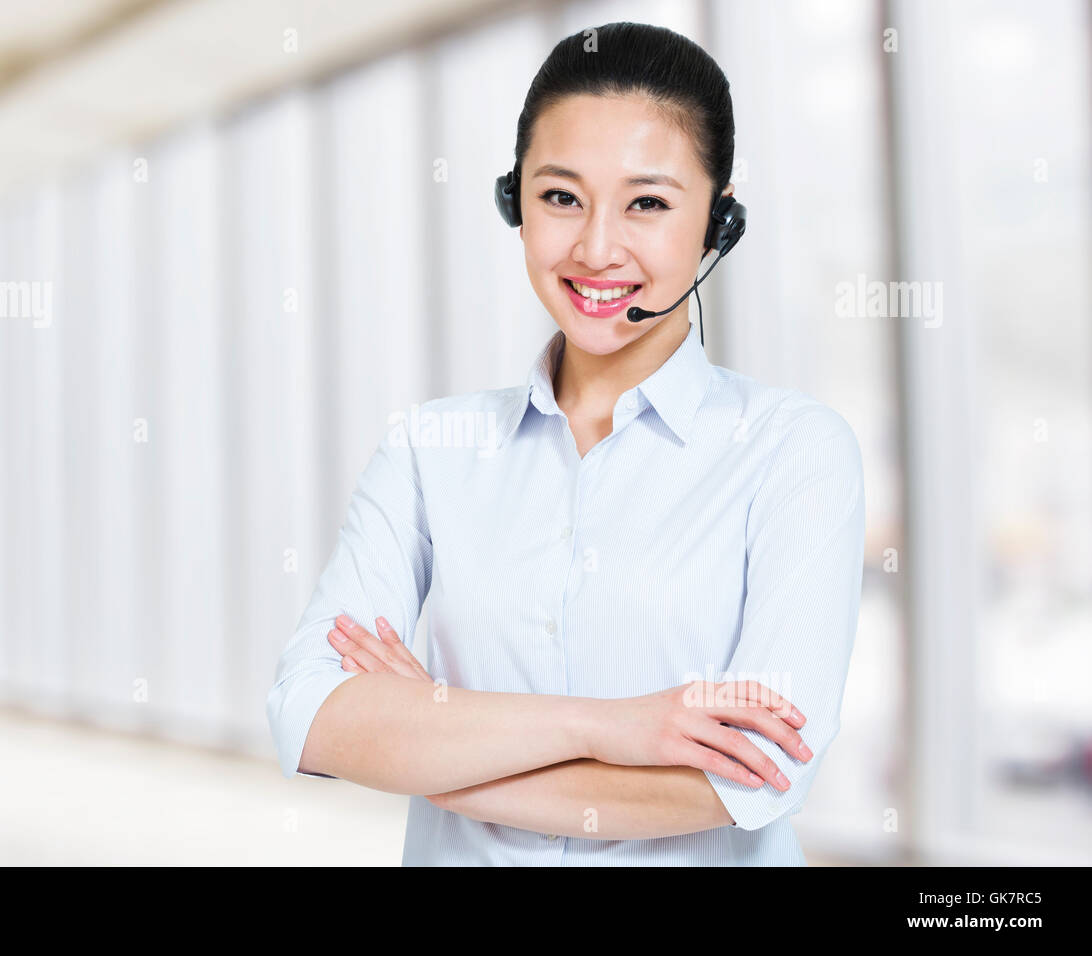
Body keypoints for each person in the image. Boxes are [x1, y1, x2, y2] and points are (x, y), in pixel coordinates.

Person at [266, 21, 865, 865]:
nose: (595, 248)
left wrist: (436, 740)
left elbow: (753, 775)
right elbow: (311, 715)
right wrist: (615, 726)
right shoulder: (431, 450)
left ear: (717, 222)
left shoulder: (793, 452)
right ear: (517, 204)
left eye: (648, 203)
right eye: (560, 197)